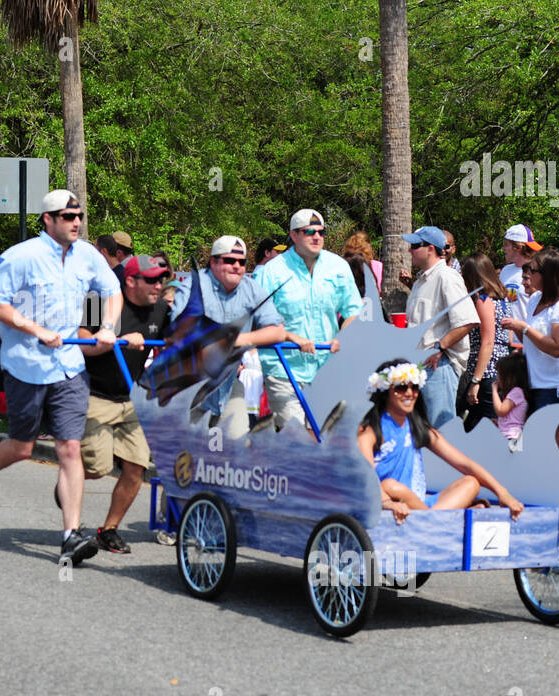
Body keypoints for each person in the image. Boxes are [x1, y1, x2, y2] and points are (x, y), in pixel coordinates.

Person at [0, 189, 122, 566]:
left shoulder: (88, 255)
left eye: (79, 216)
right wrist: (34, 329)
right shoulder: (22, 256)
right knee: (22, 447)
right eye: (67, 216)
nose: (76, 222)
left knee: (69, 449)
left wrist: (102, 326)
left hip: (70, 367)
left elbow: (110, 290)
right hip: (25, 365)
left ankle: (70, 536)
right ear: (48, 220)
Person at [77, 254, 173, 553]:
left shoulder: (161, 310)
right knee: (97, 468)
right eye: (151, 279)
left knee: (136, 467)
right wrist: (113, 339)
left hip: (132, 398)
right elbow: (80, 341)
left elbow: (176, 341)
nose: (158, 285)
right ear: (130, 281)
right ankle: (70, 479)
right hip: (95, 394)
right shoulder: (98, 300)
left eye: (161, 279)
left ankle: (109, 529)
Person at [357, 359, 523, 524]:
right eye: (401, 387)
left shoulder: (419, 427)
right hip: (385, 503)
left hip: (419, 507)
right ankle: (440, 520)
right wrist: (388, 503)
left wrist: (502, 493)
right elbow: (367, 477)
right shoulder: (369, 431)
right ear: (385, 392)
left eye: (414, 386)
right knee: (390, 485)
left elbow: (465, 464)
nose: (409, 393)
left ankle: (431, 519)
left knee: (471, 482)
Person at [182, 235, 297, 438]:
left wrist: (240, 340)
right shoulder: (193, 285)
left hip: (228, 384)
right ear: (213, 261)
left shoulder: (251, 288)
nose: (237, 266)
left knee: (239, 451)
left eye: (241, 262)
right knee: (184, 456)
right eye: (229, 261)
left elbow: (277, 330)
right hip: (188, 386)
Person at [254, 209, 358, 428]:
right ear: (293, 235)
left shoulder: (339, 267)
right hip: (283, 368)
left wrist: (343, 337)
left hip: (327, 369)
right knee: (296, 439)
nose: (317, 237)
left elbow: (353, 311)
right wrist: (292, 337)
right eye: (309, 231)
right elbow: (258, 320)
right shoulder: (271, 272)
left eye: (321, 232)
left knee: (323, 437)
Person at [501, 249, 559, 472]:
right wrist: (515, 328)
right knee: (535, 440)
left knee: (552, 443)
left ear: (548, 274)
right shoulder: (534, 298)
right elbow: (528, 339)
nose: (527, 274)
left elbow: (557, 347)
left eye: (532, 270)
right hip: (532, 381)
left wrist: (524, 328)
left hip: (554, 383)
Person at [401, 226, 479, 428]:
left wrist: (440, 348)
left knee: (441, 434)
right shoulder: (421, 281)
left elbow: (468, 319)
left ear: (430, 249)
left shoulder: (447, 276)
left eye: (415, 245)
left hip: (439, 366)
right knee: (424, 434)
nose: (410, 250)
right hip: (421, 366)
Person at [457, 253, 510, 431]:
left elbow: (488, 341)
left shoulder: (483, 300)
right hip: (499, 367)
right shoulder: (502, 299)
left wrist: (475, 381)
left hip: (486, 373)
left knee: (483, 428)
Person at [499, 224, 541, 345]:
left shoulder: (535, 271)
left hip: (527, 342)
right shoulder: (505, 270)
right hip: (506, 342)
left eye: (506, 245)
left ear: (518, 247)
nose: (503, 248)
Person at [492, 353, 531, 450]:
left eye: (500, 374)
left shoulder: (516, 392)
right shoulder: (517, 392)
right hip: (511, 436)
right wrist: (499, 423)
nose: (498, 378)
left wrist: (494, 391)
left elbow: (501, 411)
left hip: (511, 437)